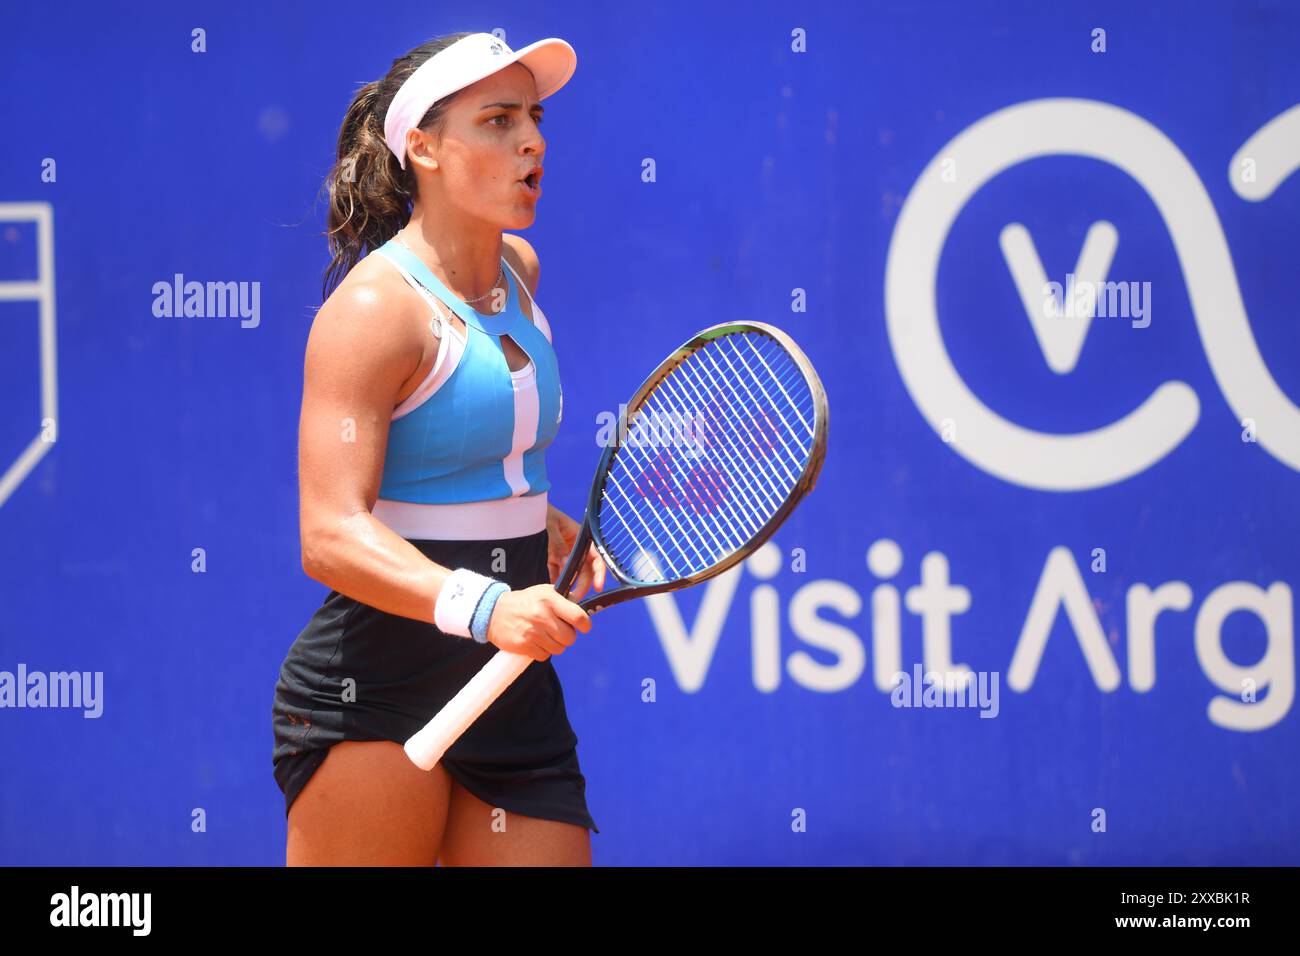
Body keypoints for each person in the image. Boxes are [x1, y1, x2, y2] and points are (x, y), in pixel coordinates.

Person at [271, 31, 606, 866]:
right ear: (421, 146)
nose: (532, 140)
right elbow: (330, 534)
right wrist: (491, 605)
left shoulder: (519, 271)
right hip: (375, 690)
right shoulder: (374, 311)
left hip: (510, 687)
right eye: (497, 120)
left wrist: (538, 521)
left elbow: (456, 455)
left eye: (533, 117)